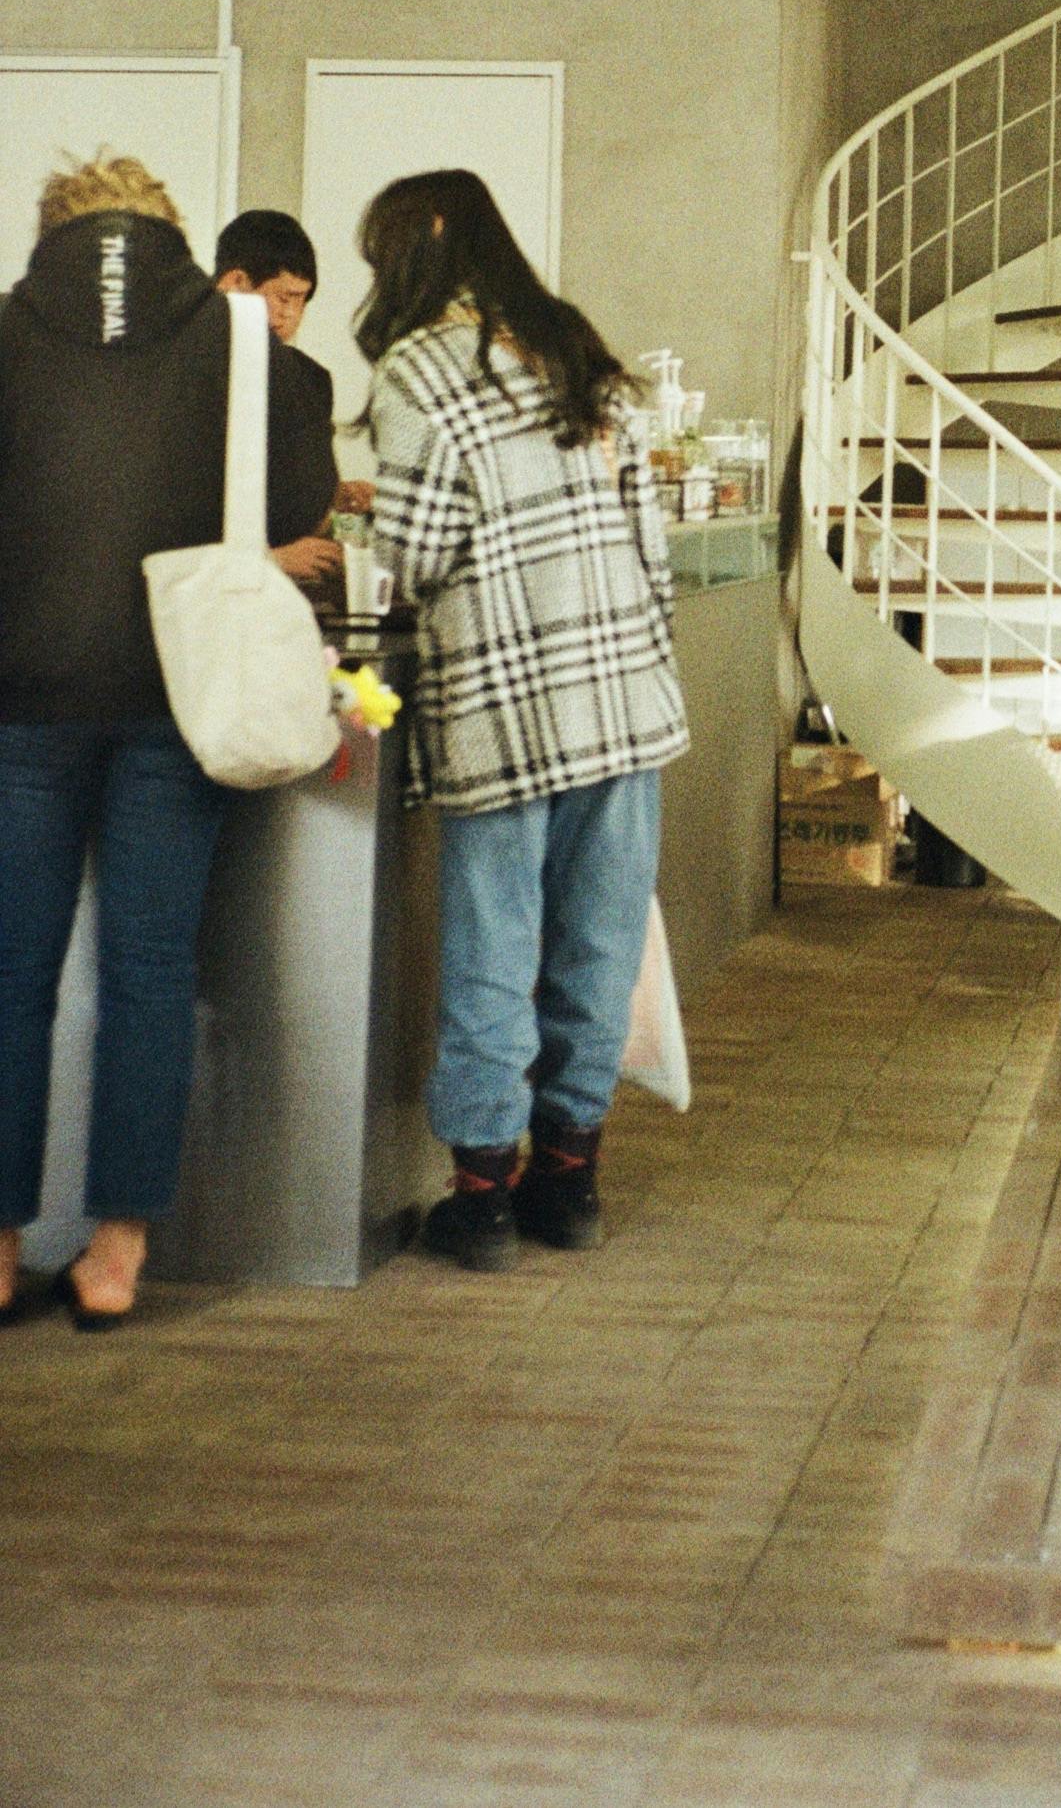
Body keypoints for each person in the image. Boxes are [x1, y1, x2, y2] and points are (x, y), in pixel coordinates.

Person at [0, 158, 339, 1324]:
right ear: (178, 241)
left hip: (18, 702)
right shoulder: (244, 340)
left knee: (8, 975)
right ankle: (116, 1252)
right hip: (175, 695)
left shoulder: (2, 329)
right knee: (148, 974)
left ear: (52, 235)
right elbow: (300, 499)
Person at [359, 170, 688, 1272]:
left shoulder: (419, 367)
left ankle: (485, 1198)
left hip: (503, 699)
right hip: (624, 697)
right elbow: (652, 540)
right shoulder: (572, 345)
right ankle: (571, 1186)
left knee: (494, 946)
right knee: (598, 944)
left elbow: (415, 549)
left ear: (415, 254)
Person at [212, 208, 367, 589]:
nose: (291, 314)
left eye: (302, 301)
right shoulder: (189, 374)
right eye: (283, 297)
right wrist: (270, 560)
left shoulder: (312, 379)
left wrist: (340, 500)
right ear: (235, 283)